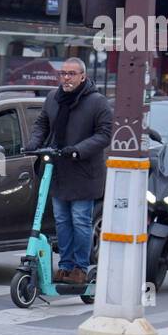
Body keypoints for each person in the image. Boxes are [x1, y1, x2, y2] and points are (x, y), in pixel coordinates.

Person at [26, 56, 113, 285]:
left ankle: (80, 268)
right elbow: (42, 124)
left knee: (80, 220)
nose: (66, 78)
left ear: (83, 76)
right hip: (58, 170)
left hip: (83, 171)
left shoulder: (97, 102)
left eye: (71, 74)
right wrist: (34, 143)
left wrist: (78, 150)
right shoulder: (54, 98)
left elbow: (104, 134)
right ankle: (65, 267)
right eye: (63, 73)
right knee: (62, 221)